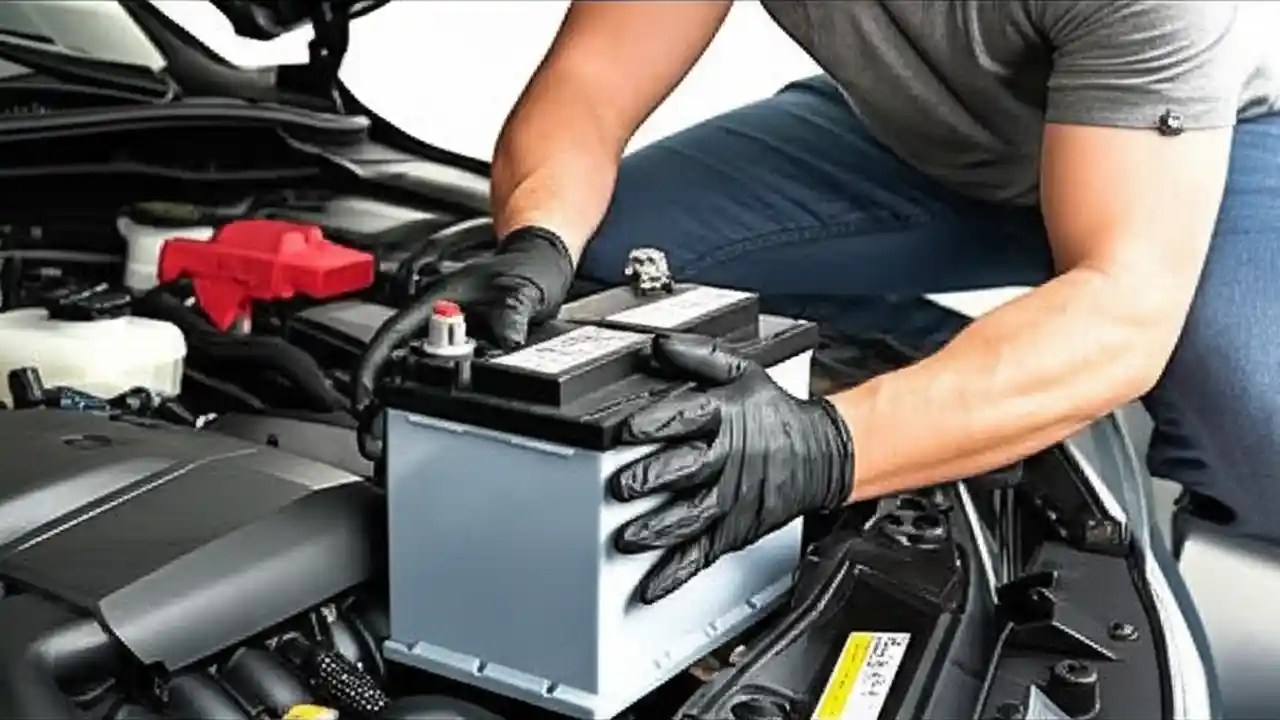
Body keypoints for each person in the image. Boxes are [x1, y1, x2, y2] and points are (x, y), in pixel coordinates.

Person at [413, 1, 1280, 602]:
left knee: (1253, 425)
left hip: (1187, 158)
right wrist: (536, 241)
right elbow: (592, 82)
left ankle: (1018, 400)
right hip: (924, 144)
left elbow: (1123, 307)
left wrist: (829, 450)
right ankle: (955, 371)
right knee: (609, 252)